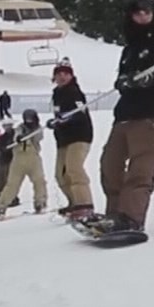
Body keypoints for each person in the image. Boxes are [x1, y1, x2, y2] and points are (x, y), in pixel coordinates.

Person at [86, 0, 154, 235]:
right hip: (125, 115)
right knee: (109, 164)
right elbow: (123, 78)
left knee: (141, 168)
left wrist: (147, 78)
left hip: (150, 115)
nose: (142, 17)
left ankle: (131, 218)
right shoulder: (130, 48)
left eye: (147, 12)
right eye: (137, 13)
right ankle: (114, 214)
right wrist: (123, 82)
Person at [48, 60, 96, 220]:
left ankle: (85, 203)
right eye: (58, 74)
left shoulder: (74, 92)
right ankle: (74, 202)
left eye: (65, 74)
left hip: (79, 136)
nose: (62, 77)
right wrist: (55, 123)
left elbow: (80, 112)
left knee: (74, 169)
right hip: (63, 139)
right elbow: (58, 114)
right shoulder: (56, 94)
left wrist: (66, 119)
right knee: (60, 174)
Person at [0, 109, 49, 219]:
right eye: (27, 118)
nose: (29, 120)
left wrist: (31, 133)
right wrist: (18, 137)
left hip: (33, 158)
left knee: (39, 181)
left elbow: (39, 137)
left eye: (31, 118)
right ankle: (1, 207)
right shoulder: (20, 128)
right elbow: (15, 136)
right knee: (12, 184)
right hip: (18, 159)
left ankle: (40, 203)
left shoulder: (38, 128)